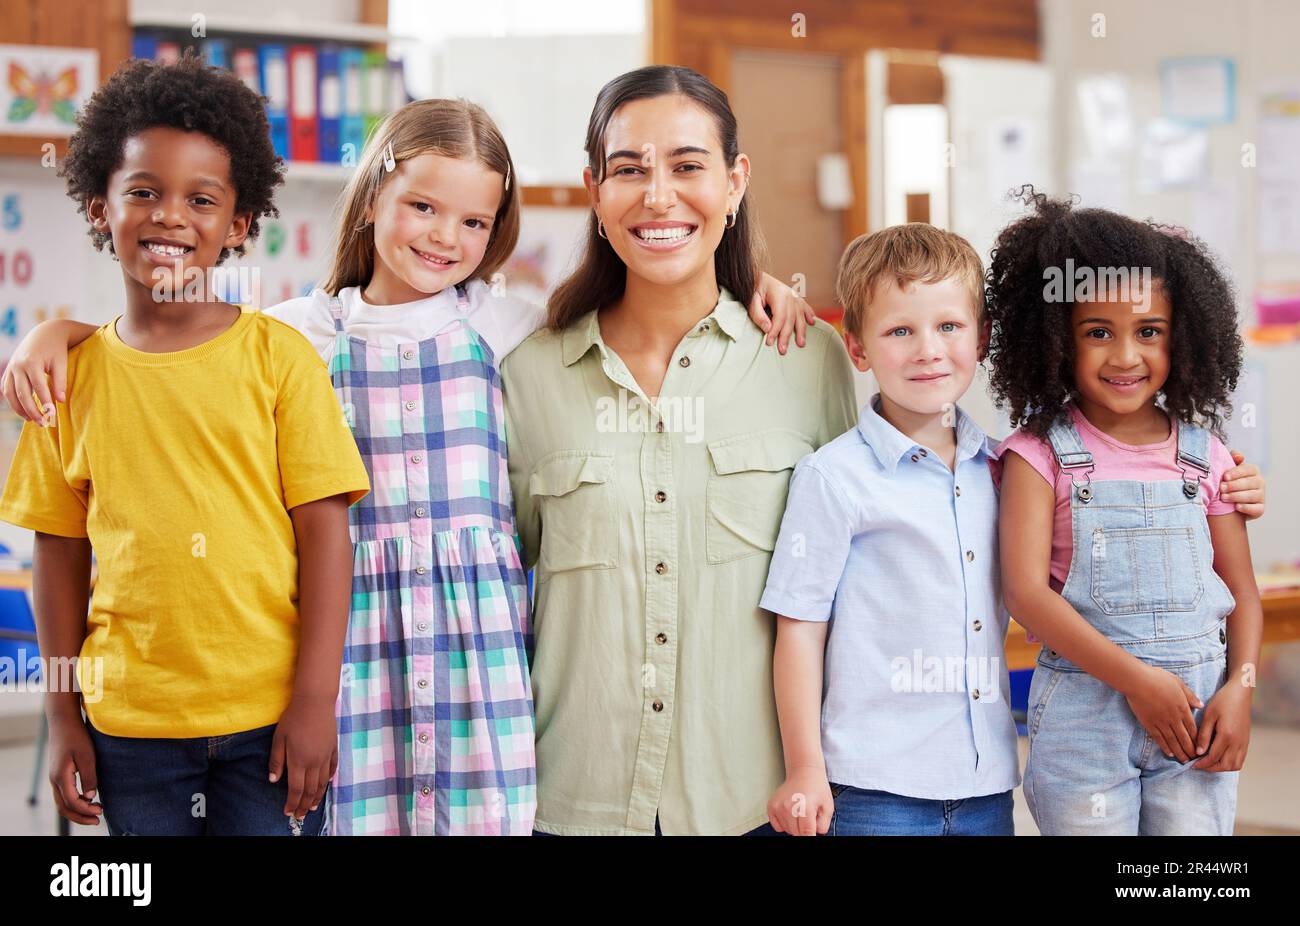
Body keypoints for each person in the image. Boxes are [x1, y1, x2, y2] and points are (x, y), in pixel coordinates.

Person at [0, 55, 369, 835]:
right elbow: (57, 559)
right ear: (101, 207)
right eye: (143, 192)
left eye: (201, 199)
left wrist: (314, 700)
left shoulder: (280, 360)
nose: (171, 216)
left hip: (268, 724)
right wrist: (63, 716)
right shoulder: (67, 378)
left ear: (238, 224)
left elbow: (327, 538)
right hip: (131, 728)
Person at [991, 189, 1263, 835]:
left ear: (1183, 337)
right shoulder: (1037, 455)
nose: (1125, 356)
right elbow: (1026, 594)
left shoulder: (1210, 456)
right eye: (1097, 334)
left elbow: (1243, 593)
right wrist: (1139, 682)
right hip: (1086, 722)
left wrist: (1241, 688)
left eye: (1149, 332)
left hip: (1198, 717)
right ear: (1055, 339)